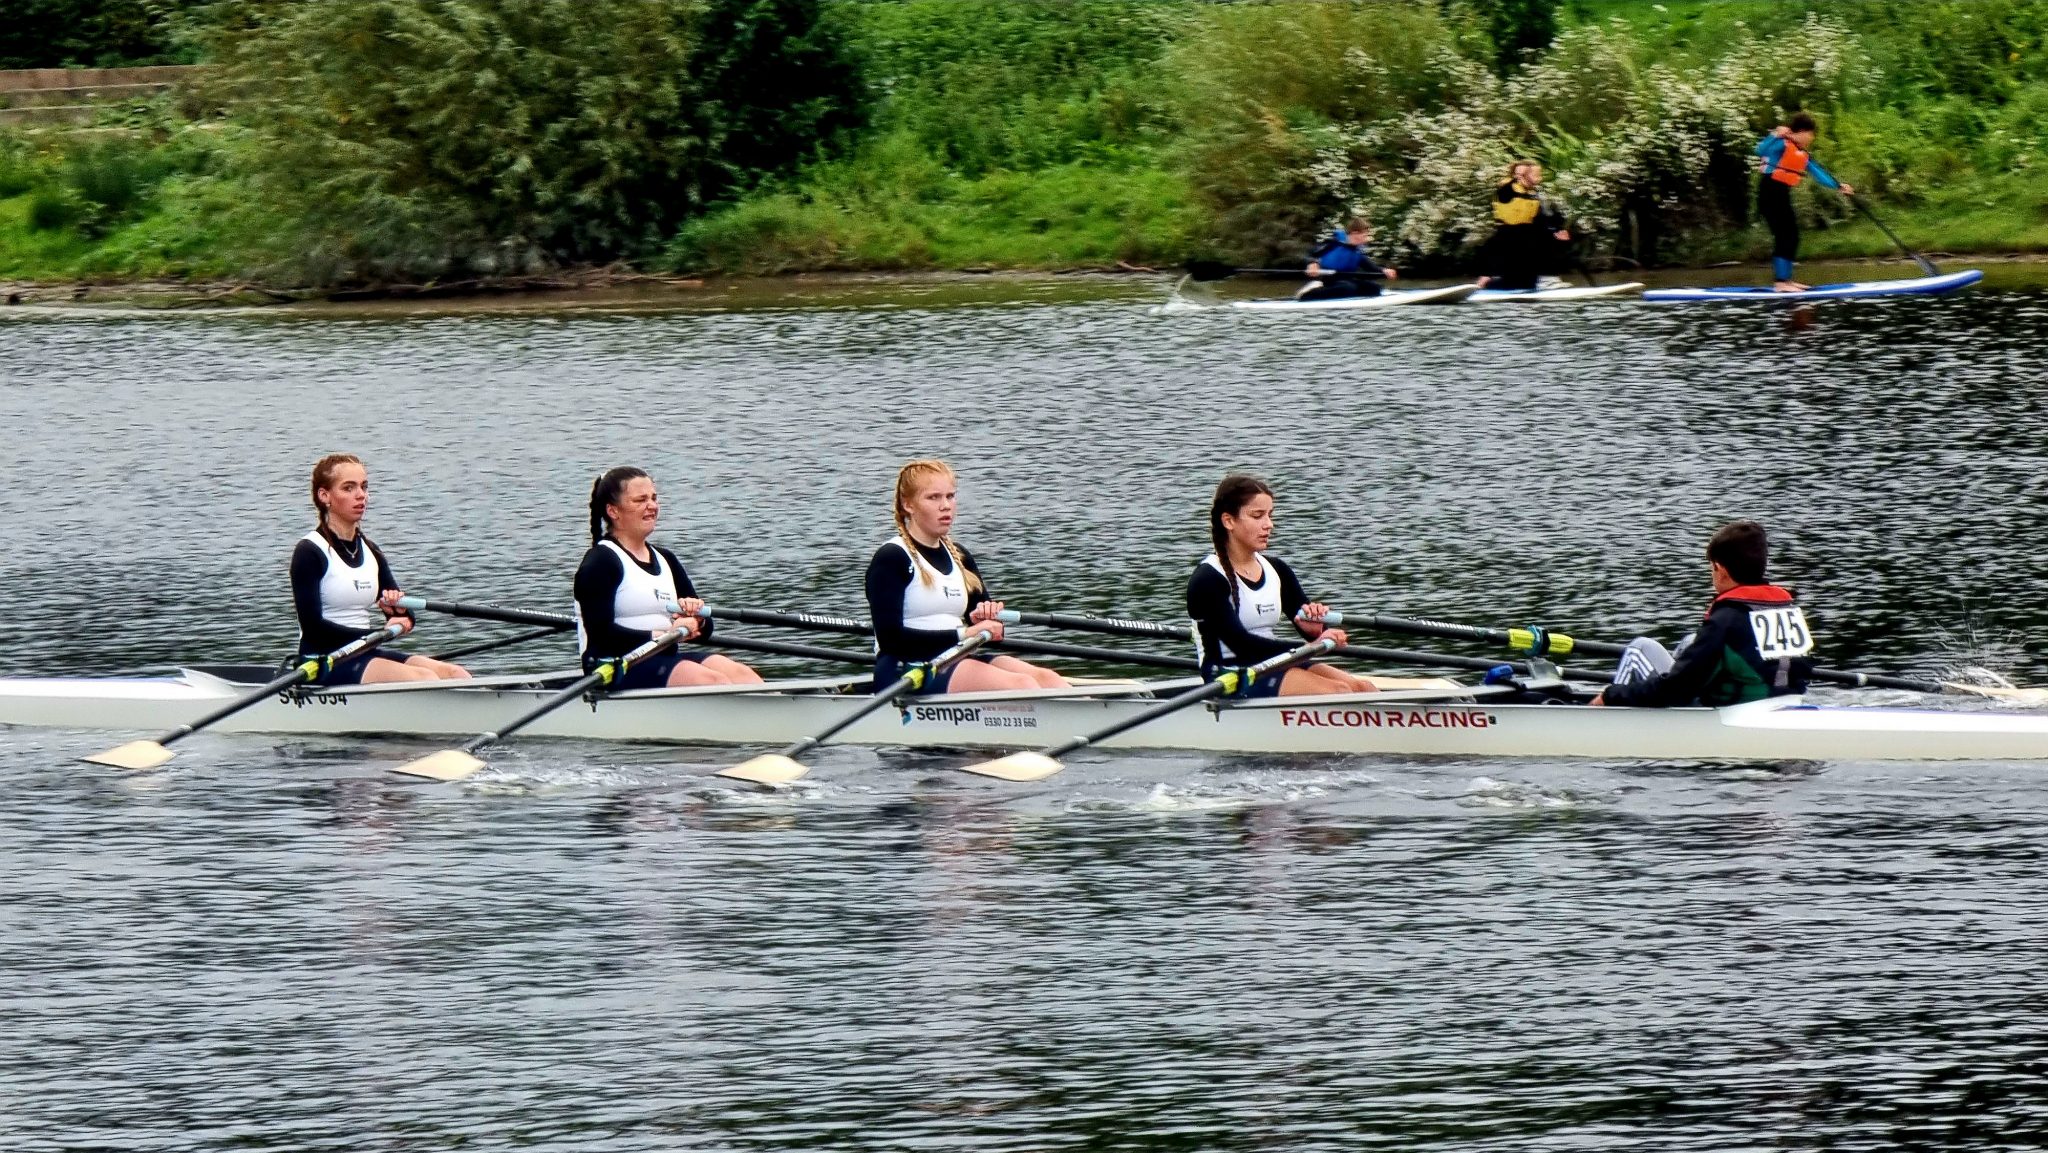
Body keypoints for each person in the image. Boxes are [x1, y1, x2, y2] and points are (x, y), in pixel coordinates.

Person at [865, 459, 1070, 695]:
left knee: (1048, 679)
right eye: (933, 498)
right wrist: (966, 633)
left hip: (956, 658)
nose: (946, 506)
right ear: (908, 504)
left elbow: (990, 631)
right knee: (1022, 686)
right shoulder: (892, 558)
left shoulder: (960, 556)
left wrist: (987, 619)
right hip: (906, 669)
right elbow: (891, 639)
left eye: (950, 496)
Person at [1186, 474, 1378, 698]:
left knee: (1365, 688)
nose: (1269, 524)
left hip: (1274, 662)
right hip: (1229, 673)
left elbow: (1311, 631)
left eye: (1270, 515)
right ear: (1228, 521)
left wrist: (1316, 630)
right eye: (1257, 516)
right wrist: (1311, 646)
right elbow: (1241, 645)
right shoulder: (1208, 579)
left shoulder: (1277, 570)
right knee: (1338, 691)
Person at [574, 467, 763, 690]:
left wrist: (696, 619)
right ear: (613, 511)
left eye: (654, 498)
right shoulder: (600, 562)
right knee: (712, 681)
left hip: (662, 657)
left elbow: (707, 628)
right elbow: (601, 636)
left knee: (742, 675)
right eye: (640, 500)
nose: (652, 506)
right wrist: (667, 634)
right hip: (613, 667)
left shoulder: (666, 559)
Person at [1590, 520, 1814, 708]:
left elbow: (1675, 690)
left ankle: (1599, 716)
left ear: (1721, 570)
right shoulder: (1789, 610)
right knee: (1690, 642)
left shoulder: (1726, 620)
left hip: (1731, 711)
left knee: (1639, 649)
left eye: (1711, 568)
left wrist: (1611, 695)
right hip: (1784, 701)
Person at [291, 453, 470, 685]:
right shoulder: (309, 552)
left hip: (364, 652)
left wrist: (395, 610)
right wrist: (375, 635)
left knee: (457, 675)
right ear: (325, 496)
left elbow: (405, 617)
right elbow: (314, 628)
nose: (360, 495)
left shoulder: (370, 551)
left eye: (364, 487)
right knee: (424, 678)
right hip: (323, 660)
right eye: (348, 488)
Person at [1756, 112, 1854, 292]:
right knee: (1785, 235)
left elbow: (1818, 173)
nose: (1812, 138)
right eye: (1810, 133)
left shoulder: (1801, 153)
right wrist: (1774, 135)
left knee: (1791, 236)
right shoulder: (1780, 143)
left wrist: (1839, 186)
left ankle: (1786, 281)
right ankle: (1780, 283)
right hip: (1769, 193)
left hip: (1780, 194)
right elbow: (1760, 151)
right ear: (1801, 131)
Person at [1476, 160, 1570, 291]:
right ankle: (1546, 277)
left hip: (1523, 243)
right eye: (1536, 175)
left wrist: (1558, 231)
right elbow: (1504, 194)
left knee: (1523, 284)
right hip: (1507, 238)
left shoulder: (1533, 194)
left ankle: (1489, 285)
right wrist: (1519, 177)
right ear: (1521, 176)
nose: (1540, 178)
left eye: (1539, 174)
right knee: (1538, 237)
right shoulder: (1506, 189)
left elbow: (1543, 219)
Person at [1300, 217, 1399, 301]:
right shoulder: (1334, 243)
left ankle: (1347, 296)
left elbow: (1370, 266)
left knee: (1374, 288)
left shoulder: (1357, 250)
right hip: (1329, 280)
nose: (1367, 239)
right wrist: (1312, 263)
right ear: (1355, 233)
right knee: (1347, 288)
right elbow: (1310, 254)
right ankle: (1308, 294)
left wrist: (1384, 270)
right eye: (1365, 235)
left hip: (1347, 280)